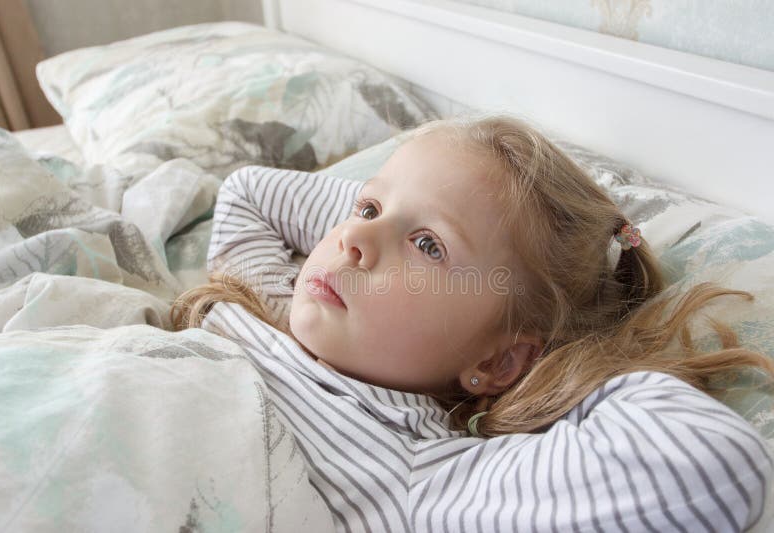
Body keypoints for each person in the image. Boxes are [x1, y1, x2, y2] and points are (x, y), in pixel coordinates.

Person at [171, 114, 774, 532]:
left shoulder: (416, 477)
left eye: (429, 246)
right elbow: (249, 192)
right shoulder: (266, 306)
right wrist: (404, 214)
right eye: (366, 208)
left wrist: (569, 378)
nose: (352, 236)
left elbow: (712, 465)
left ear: (495, 361)